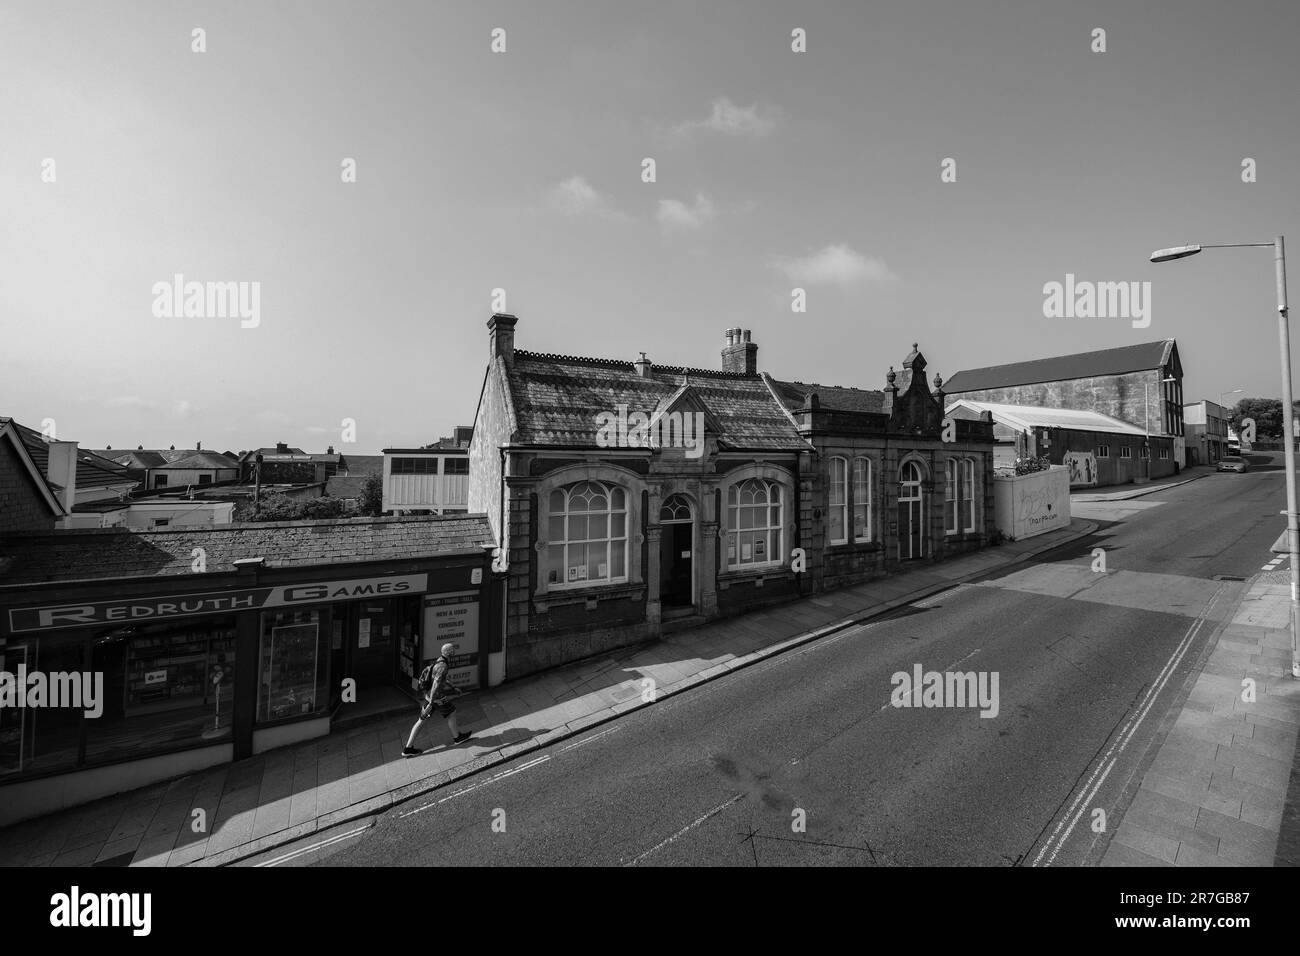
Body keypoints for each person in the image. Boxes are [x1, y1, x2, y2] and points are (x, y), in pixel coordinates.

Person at [402, 643, 470, 757]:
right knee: (451, 712)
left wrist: (453, 687)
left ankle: (408, 748)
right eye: (452, 650)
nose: (454, 651)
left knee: (422, 720)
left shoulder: (439, 661)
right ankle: (457, 737)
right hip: (436, 697)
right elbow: (436, 684)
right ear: (448, 652)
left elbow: (442, 679)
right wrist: (431, 702)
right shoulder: (443, 666)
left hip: (429, 695)